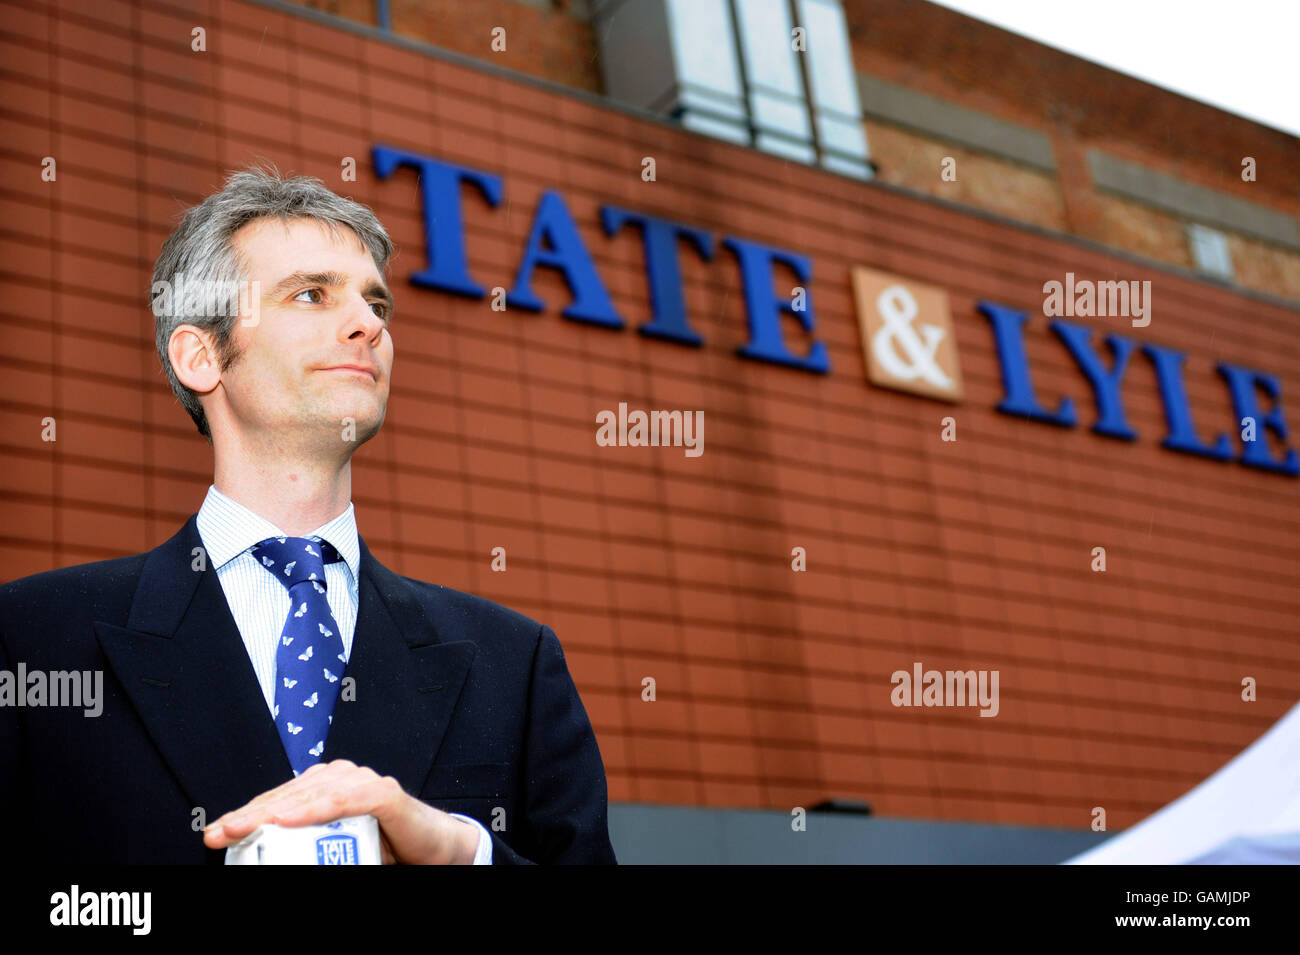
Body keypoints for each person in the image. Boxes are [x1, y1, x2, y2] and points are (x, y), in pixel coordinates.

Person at [0, 167, 617, 864]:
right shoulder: (29, 641)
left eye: (376, 303)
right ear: (201, 355)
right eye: (311, 293)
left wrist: (461, 855)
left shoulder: (516, 664)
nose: (368, 324)